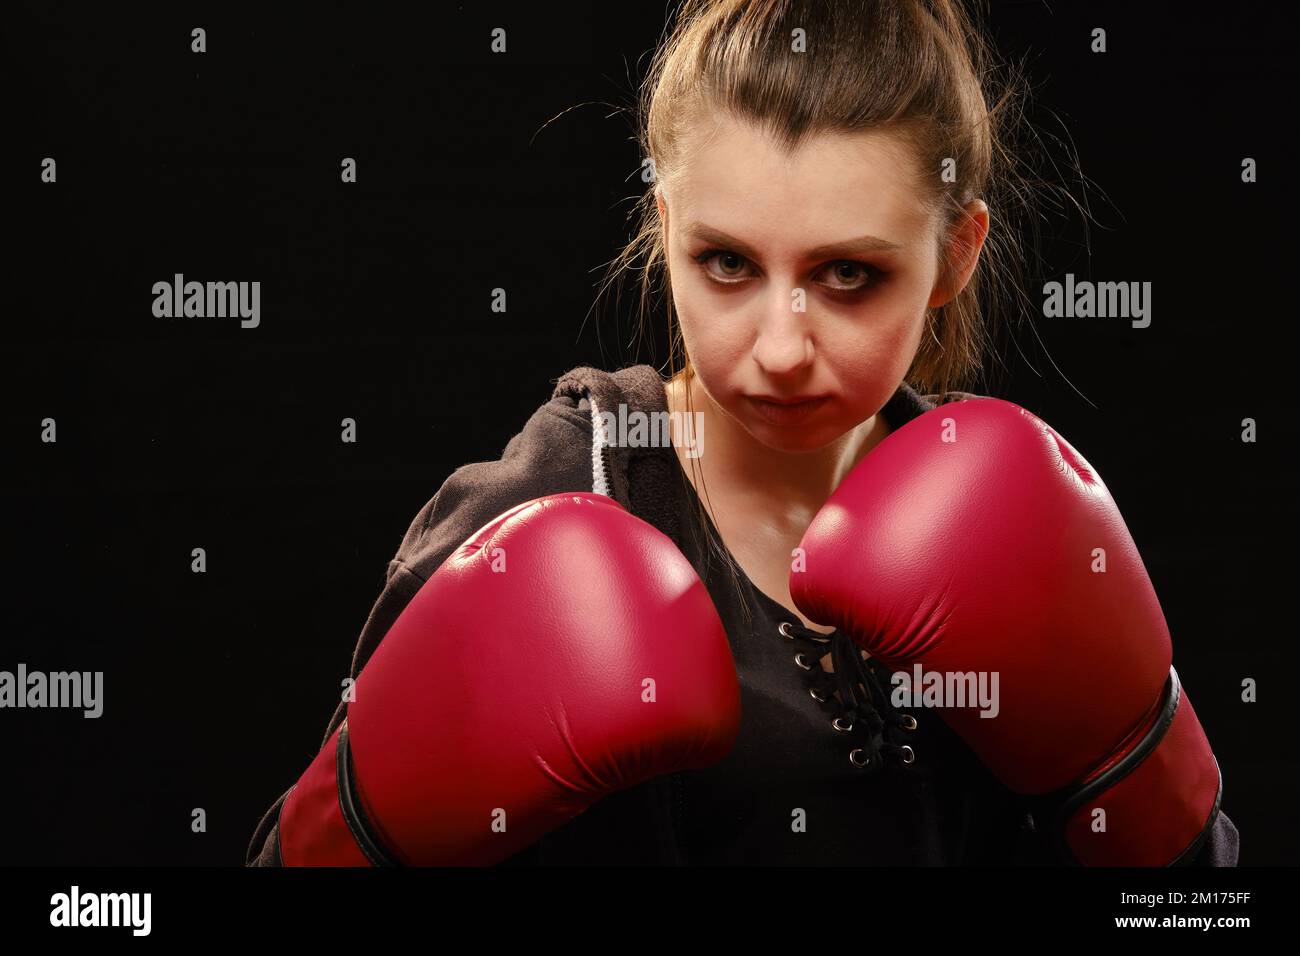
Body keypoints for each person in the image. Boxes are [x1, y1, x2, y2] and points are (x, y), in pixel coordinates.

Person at [247, 0, 1239, 866]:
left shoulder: (1014, 510)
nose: (777, 348)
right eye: (724, 262)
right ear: (667, 225)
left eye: (847, 273)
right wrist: (367, 828)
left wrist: (1138, 765)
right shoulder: (560, 487)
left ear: (953, 255)